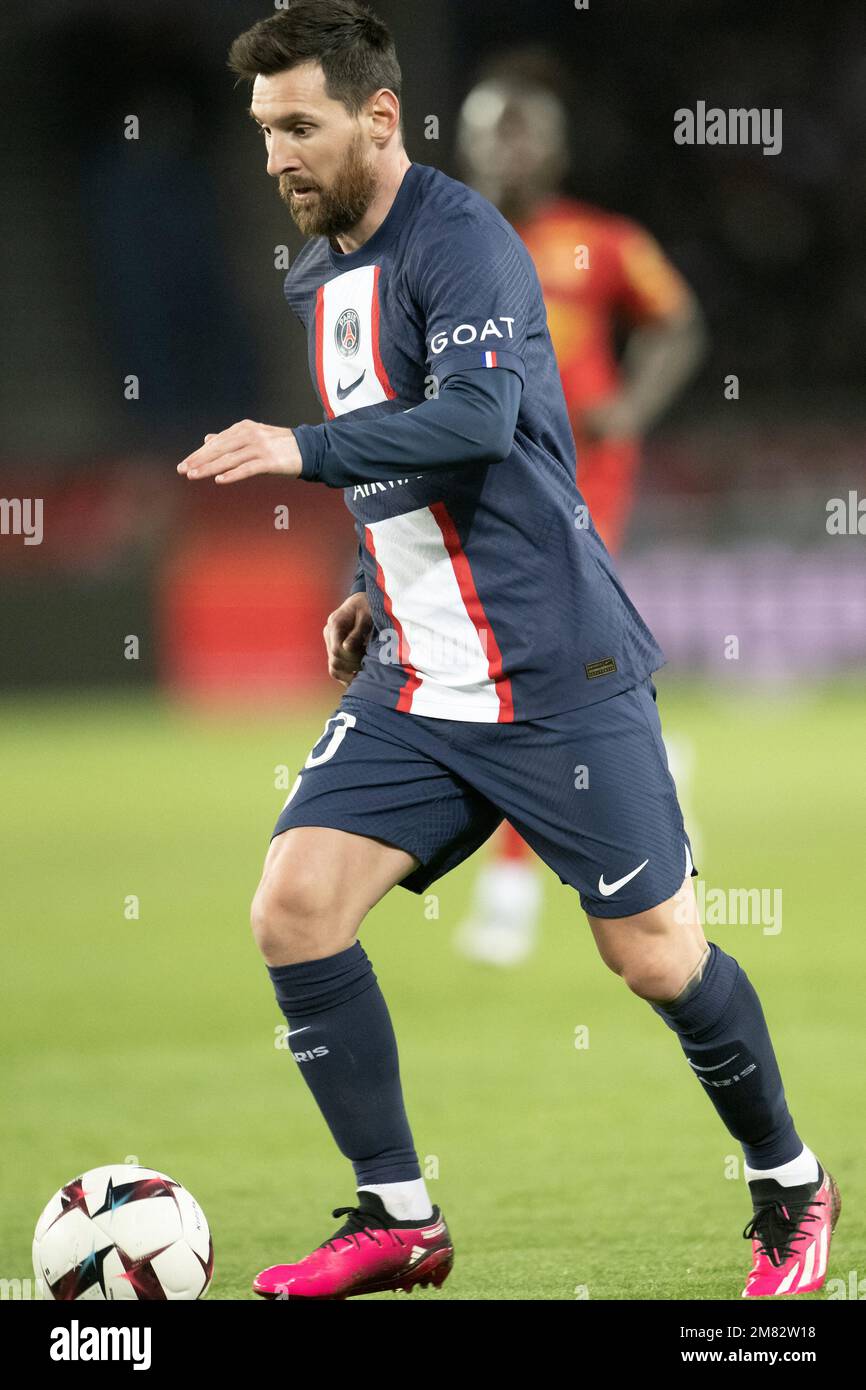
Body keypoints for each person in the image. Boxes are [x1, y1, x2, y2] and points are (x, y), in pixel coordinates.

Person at [178, 0, 839, 1301]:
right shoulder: (318, 267)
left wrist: (297, 452)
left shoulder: (465, 240)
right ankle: (398, 1217)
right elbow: (394, 438)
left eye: (298, 125)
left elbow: (475, 419)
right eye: (263, 132)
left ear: (379, 117)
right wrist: (370, 578)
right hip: (418, 679)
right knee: (293, 909)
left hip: (556, 674)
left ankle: (788, 1181)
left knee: (652, 955)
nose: (275, 156)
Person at [454, 69, 707, 967]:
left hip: (583, 477)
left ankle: (514, 886)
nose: (508, 148)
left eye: (525, 132)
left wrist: (633, 406)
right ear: (468, 142)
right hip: (483, 478)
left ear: (555, 149)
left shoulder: (602, 241)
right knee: (560, 660)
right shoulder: (442, 239)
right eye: (493, 131)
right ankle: (651, 767)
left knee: (544, 653)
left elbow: (677, 321)